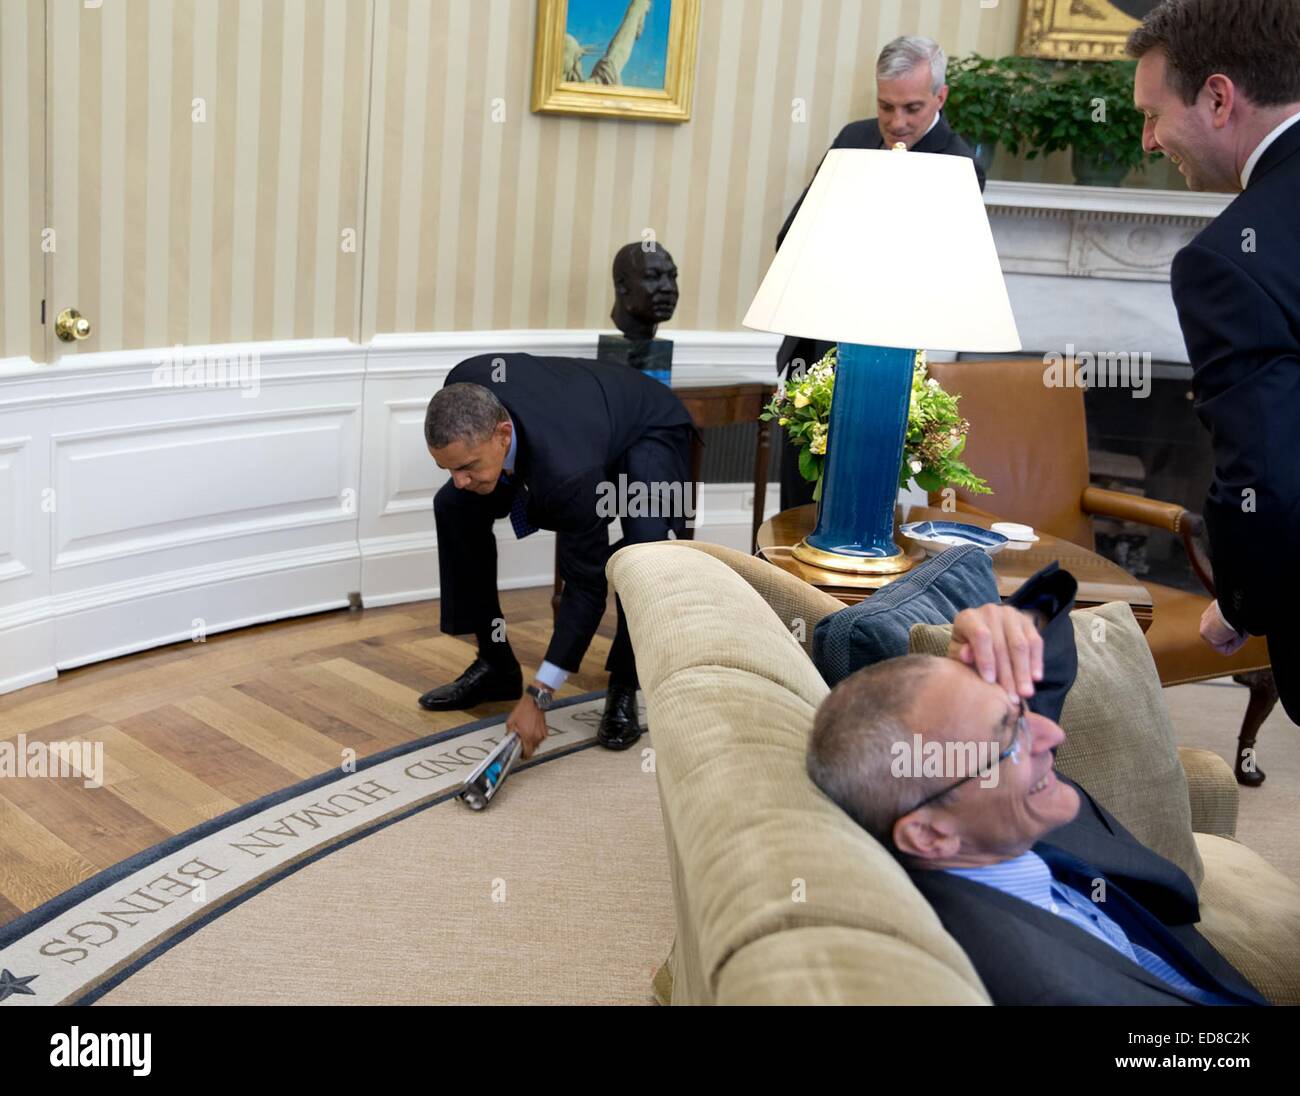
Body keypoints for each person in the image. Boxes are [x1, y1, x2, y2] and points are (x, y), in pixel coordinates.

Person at [807, 600, 1266, 1005]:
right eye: (1010, 738)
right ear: (930, 834)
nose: (1052, 735)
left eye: (1019, 712)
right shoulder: (1049, 986)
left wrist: (1003, 625)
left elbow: (1051, 632)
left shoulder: (982, 812)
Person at [1128, 0, 1300, 723]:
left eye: (1153, 113)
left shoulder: (1229, 262)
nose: (1146, 140)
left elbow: (1266, 478)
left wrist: (1239, 602)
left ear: (1219, 97)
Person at [421, 353, 695, 757]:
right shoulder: (463, 381)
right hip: (577, 419)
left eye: (467, 467)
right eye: (447, 468)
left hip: (647, 425)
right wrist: (470, 475)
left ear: (501, 434)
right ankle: (495, 663)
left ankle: (624, 680)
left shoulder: (569, 475)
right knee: (454, 505)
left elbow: (585, 588)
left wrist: (540, 696)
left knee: (646, 548)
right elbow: (469, 477)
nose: (458, 479)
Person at [774, 35, 987, 510]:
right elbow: (791, 238)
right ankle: (781, 586)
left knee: (857, 498)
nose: (897, 122)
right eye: (885, 106)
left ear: (940, 97)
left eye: (911, 107)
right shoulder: (852, 139)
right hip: (812, 347)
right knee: (796, 500)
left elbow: (933, 278)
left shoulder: (960, 166)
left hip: (887, 365)